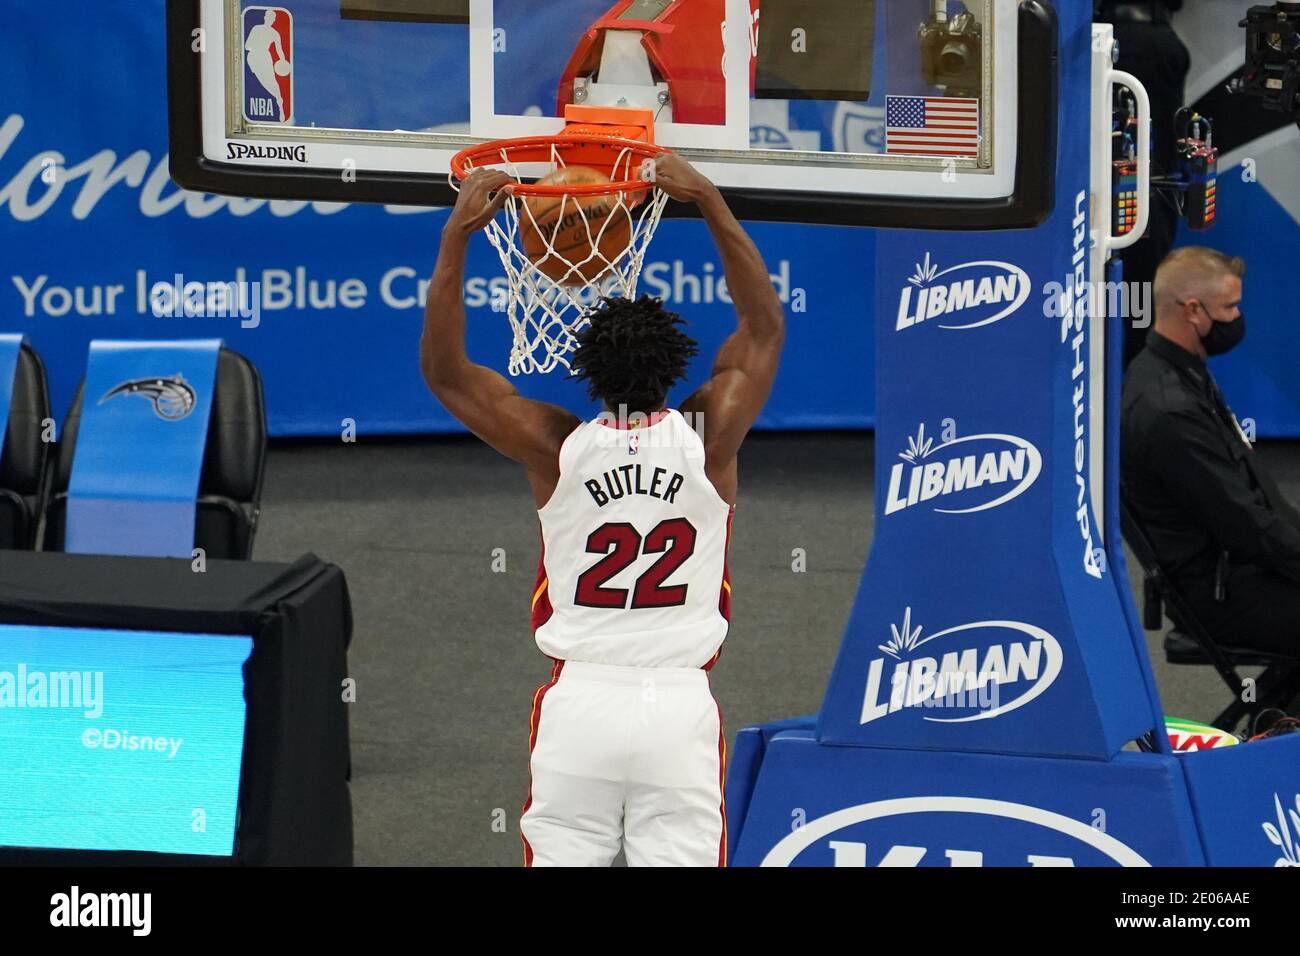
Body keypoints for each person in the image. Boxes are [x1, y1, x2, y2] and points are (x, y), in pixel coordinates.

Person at [419, 154, 785, 866]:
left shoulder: (557, 446)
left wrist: (457, 236)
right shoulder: (710, 437)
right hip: (677, 706)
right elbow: (764, 328)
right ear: (679, 369)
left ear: (586, 372)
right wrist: (708, 198)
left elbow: (445, 372)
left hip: (578, 704)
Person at [1122, 247, 1300, 658]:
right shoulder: (1170, 411)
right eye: (1230, 307)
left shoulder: (1179, 372)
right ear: (1193, 311)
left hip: (1236, 568)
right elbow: (1245, 527)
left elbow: (1257, 498)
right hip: (1221, 595)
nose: (1237, 319)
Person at [1094, 0, 1191, 366]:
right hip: (1115, 37)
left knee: (1141, 214)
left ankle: (1134, 386)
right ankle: (1128, 387)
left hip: (1141, 39)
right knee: (1132, 215)